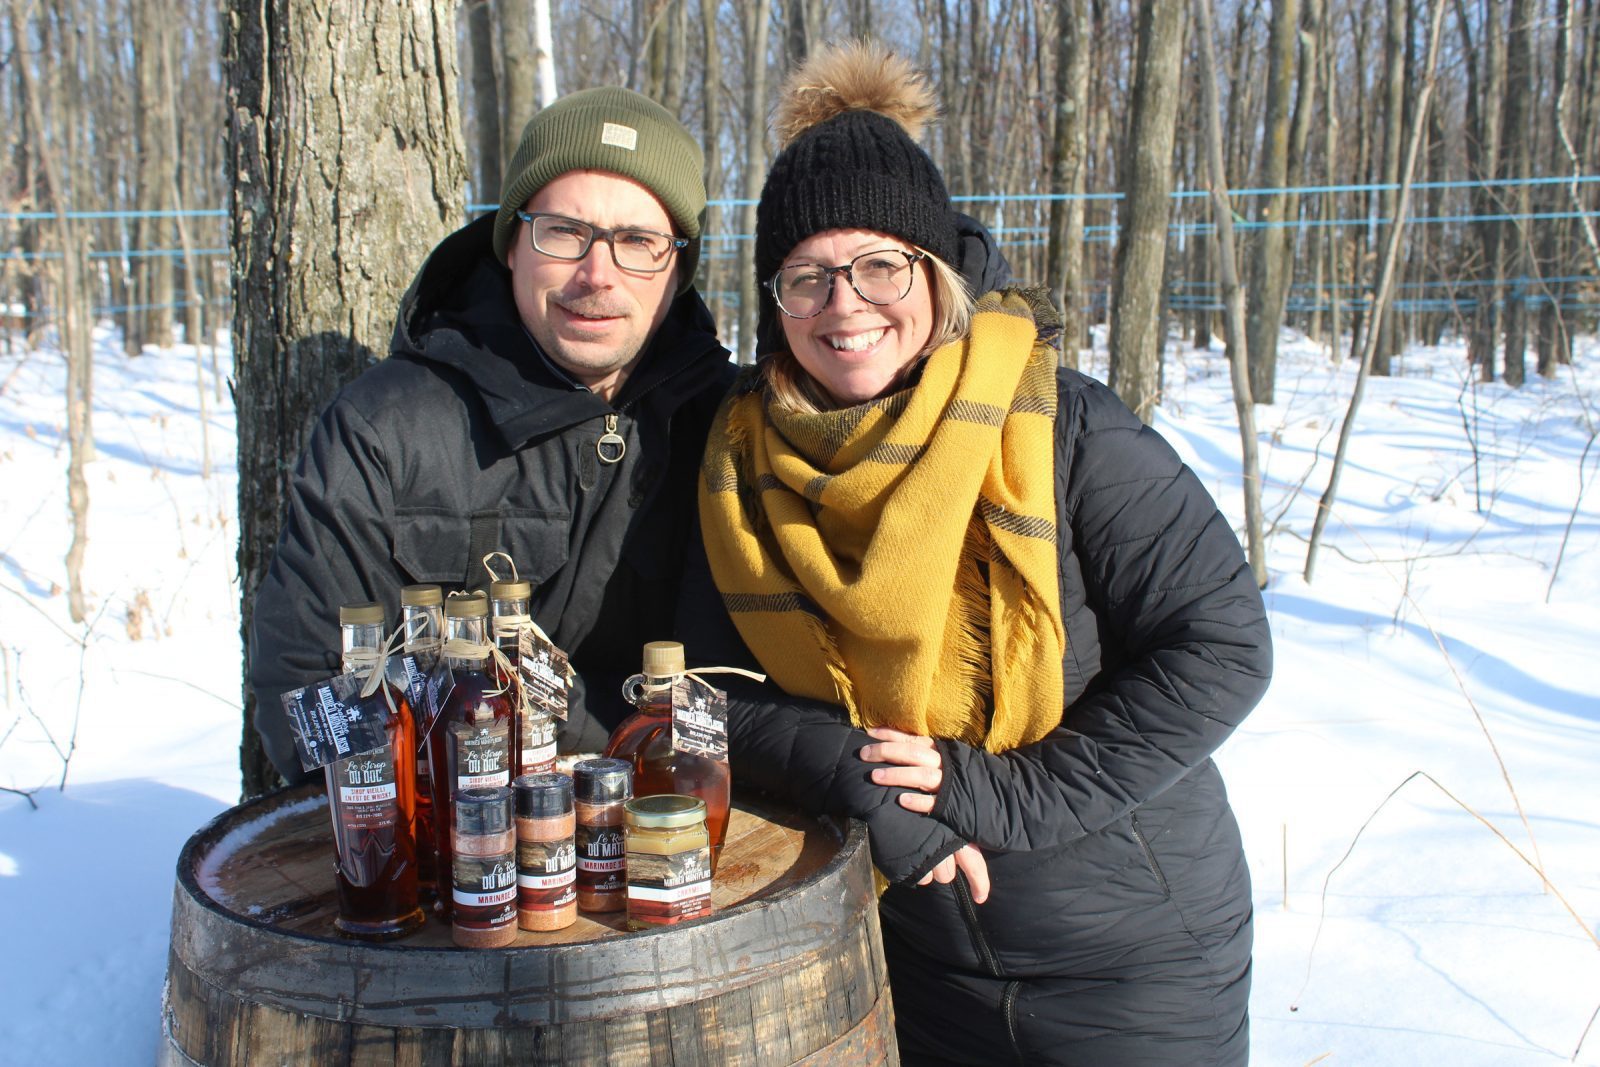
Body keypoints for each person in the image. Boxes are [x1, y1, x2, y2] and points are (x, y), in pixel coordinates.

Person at [679, 42, 1273, 1065]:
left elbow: (1220, 646)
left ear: (935, 273)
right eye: (806, 276)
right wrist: (862, 775)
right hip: (907, 956)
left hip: (1129, 964)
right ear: (774, 301)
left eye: (879, 265)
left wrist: (999, 793)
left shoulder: (1060, 427)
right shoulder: (740, 467)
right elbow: (703, 685)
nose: (844, 304)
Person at [250, 87, 735, 780]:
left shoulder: (728, 431)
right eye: (564, 232)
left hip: (666, 832)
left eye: (638, 242)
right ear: (512, 243)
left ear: (679, 268)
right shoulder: (388, 428)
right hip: (449, 843)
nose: (597, 274)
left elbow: (757, 693)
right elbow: (307, 696)